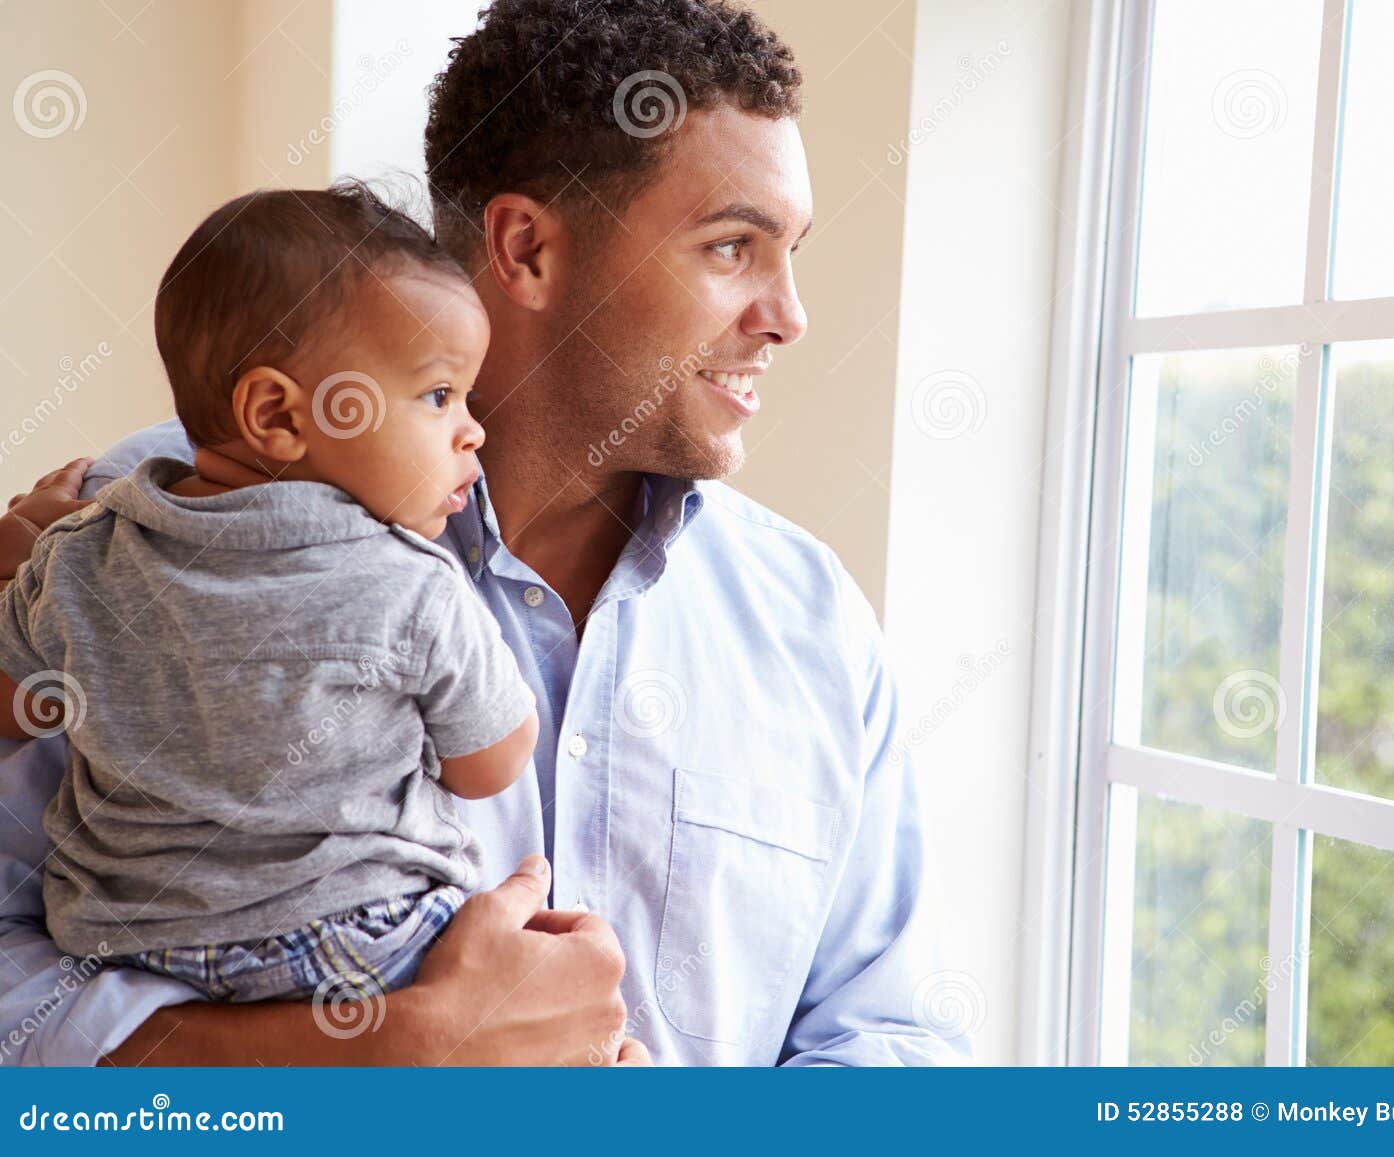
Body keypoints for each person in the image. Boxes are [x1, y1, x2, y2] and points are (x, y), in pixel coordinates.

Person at [0, 0, 964, 1066]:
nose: (788, 314)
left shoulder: (812, 621)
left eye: (791, 253)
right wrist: (374, 1058)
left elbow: (895, 1040)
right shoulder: (134, 535)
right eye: (732, 246)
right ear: (526, 248)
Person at [0, 183, 540, 1010]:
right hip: (361, 946)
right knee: (544, 1002)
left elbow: (12, 703)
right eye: (439, 395)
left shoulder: (79, 555)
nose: (474, 429)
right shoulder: (415, 586)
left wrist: (20, 566)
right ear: (277, 414)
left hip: (131, 953)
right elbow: (488, 766)